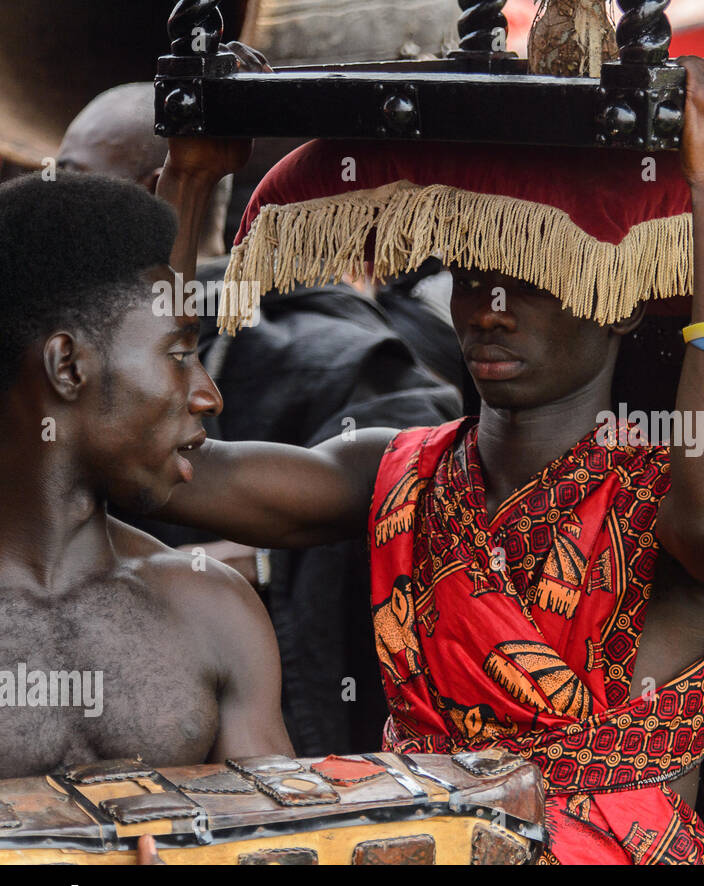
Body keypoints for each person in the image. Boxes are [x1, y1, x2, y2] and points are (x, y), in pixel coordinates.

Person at [147, 55, 704, 864]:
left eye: (532, 279)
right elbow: (160, 461)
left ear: (623, 303)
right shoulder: (396, 472)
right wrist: (189, 181)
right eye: (471, 278)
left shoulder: (663, 499)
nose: (489, 310)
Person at [58, 77, 462, 754]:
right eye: (473, 282)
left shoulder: (363, 383)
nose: (489, 311)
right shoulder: (49, 359)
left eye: (72, 186)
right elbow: (141, 438)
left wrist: (263, 563)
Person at [0, 171, 290, 779]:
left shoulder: (213, 608)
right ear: (68, 366)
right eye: (180, 355)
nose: (208, 394)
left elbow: (273, 841)